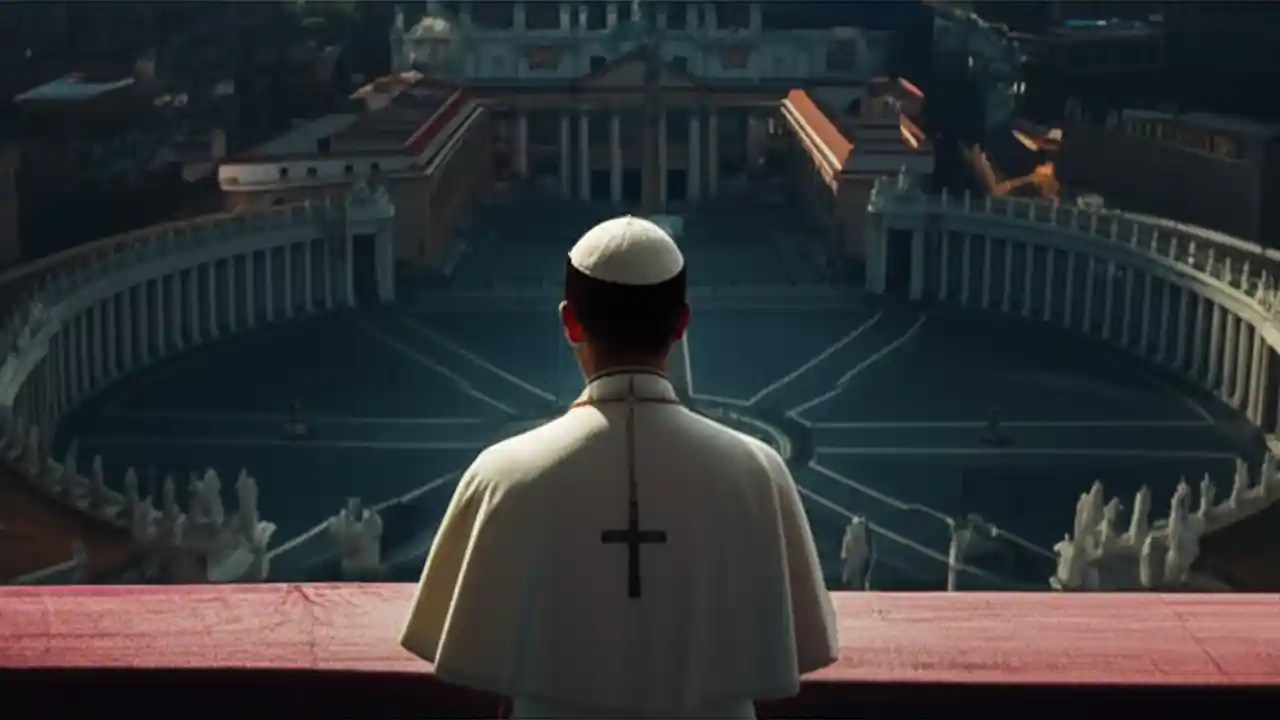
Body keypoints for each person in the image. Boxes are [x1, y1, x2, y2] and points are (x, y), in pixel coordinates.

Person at [400, 216, 838, 719]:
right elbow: (799, 645)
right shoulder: (759, 473)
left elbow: (474, 660)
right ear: (681, 324)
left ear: (570, 322)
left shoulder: (500, 476)